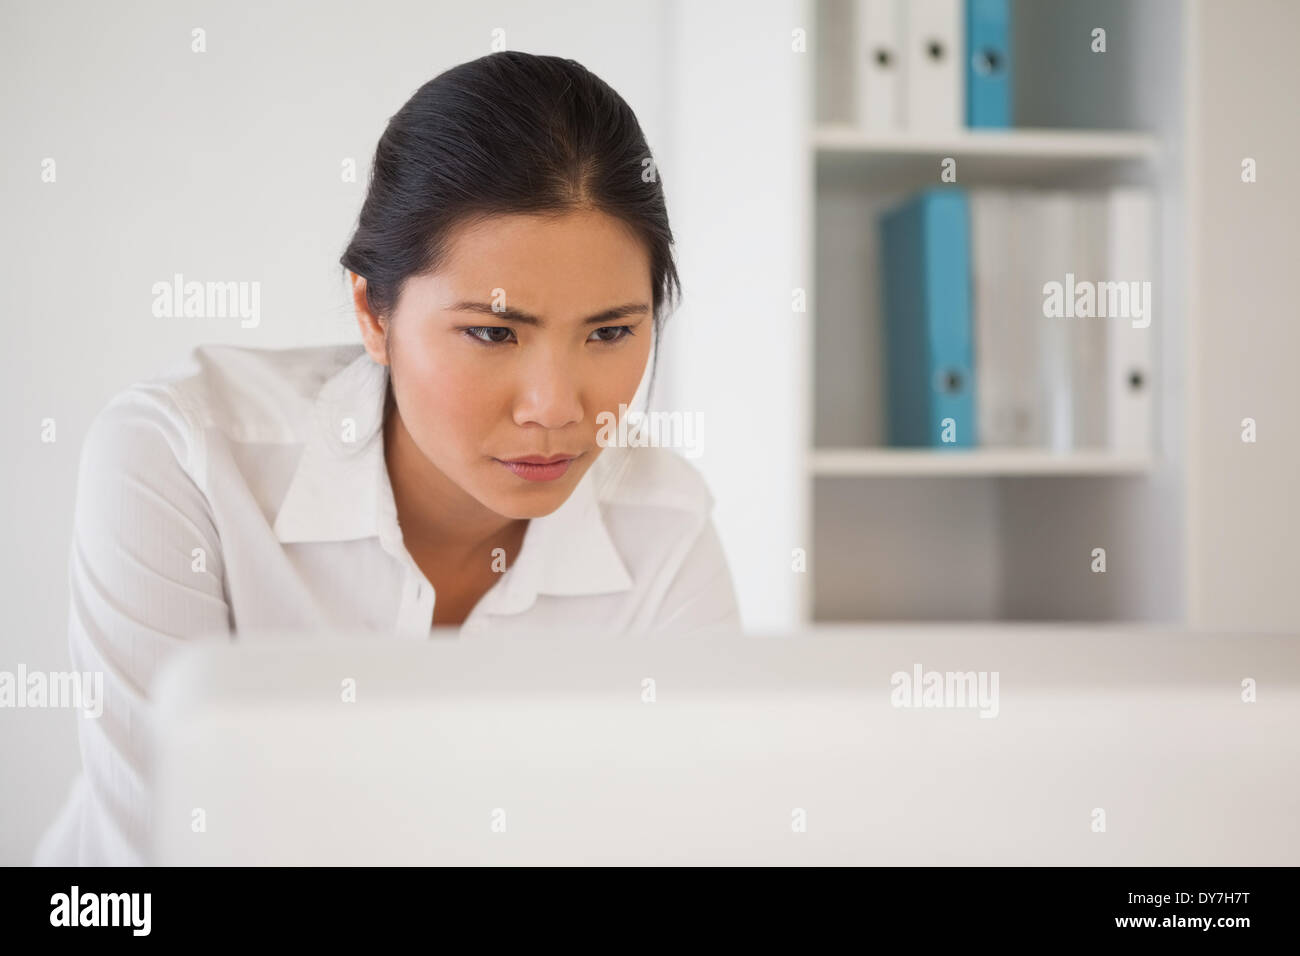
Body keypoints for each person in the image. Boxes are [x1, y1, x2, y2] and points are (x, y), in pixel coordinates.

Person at [34, 50, 741, 866]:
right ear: (374, 312)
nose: (555, 406)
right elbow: (156, 859)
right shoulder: (181, 460)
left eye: (611, 333)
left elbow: (692, 835)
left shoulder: (665, 528)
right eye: (493, 332)